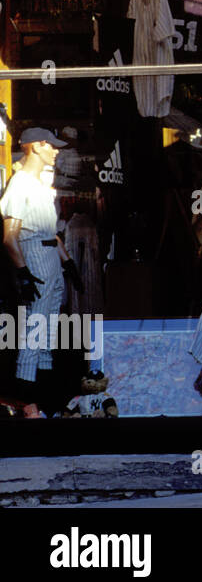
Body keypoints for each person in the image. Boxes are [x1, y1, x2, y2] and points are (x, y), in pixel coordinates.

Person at [2, 128, 80, 413]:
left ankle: (43, 387)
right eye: (51, 146)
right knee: (36, 323)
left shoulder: (39, 185)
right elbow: (10, 235)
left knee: (48, 323)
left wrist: (67, 261)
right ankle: (26, 388)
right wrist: (22, 271)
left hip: (48, 252)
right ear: (35, 147)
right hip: (33, 251)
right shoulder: (20, 184)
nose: (56, 151)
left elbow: (53, 234)